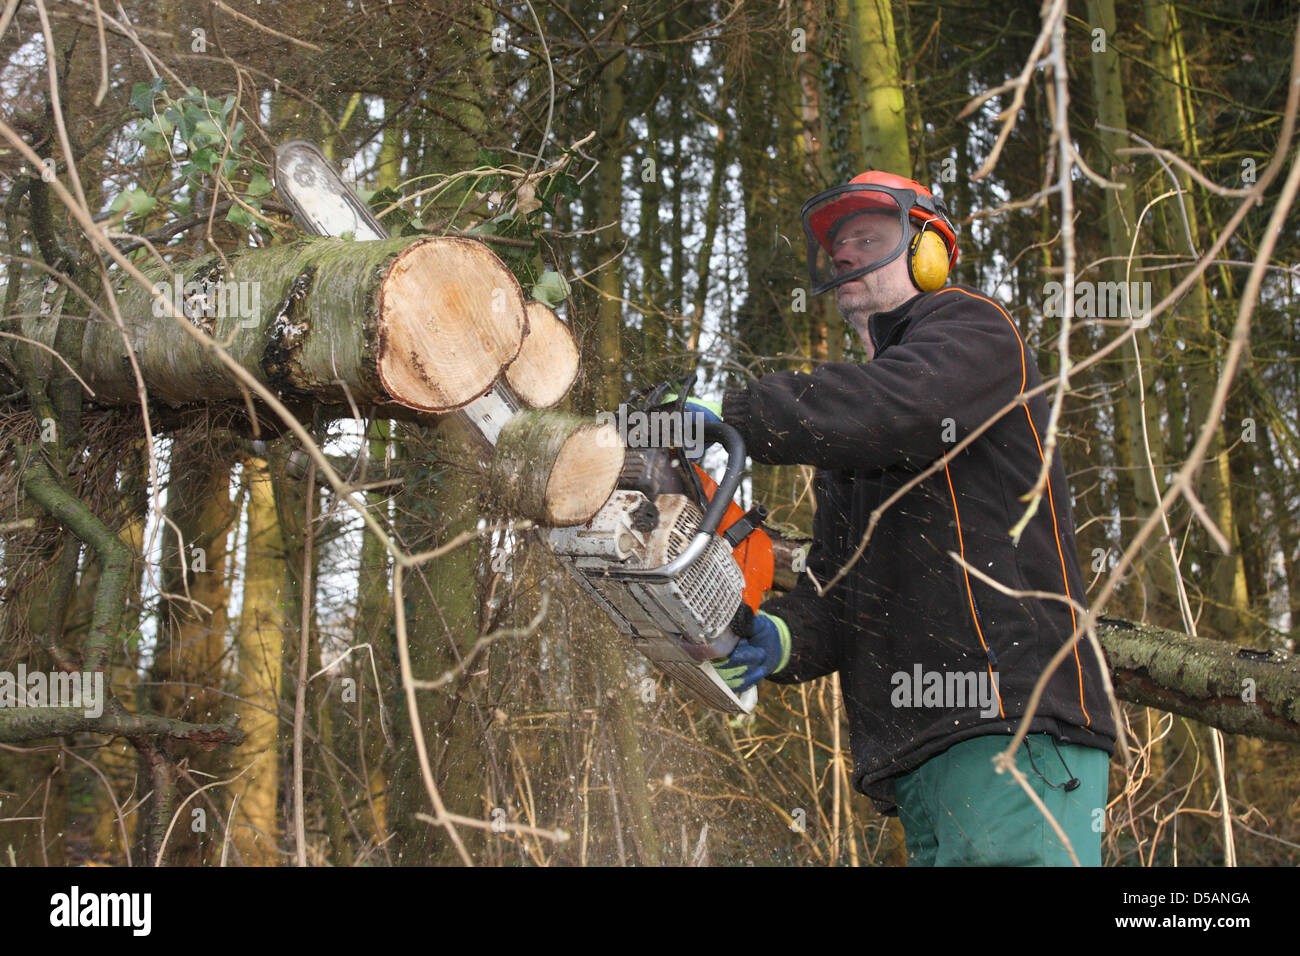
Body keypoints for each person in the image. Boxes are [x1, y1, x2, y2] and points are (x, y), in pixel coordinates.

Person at [708, 170, 1116, 866]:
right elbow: (839, 597)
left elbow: (903, 406)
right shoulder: (858, 430)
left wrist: (732, 416)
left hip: (1009, 726)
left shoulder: (975, 333)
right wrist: (776, 638)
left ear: (929, 249)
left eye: (870, 237)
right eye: (839, 248)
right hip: (916, 763)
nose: (846, 255)